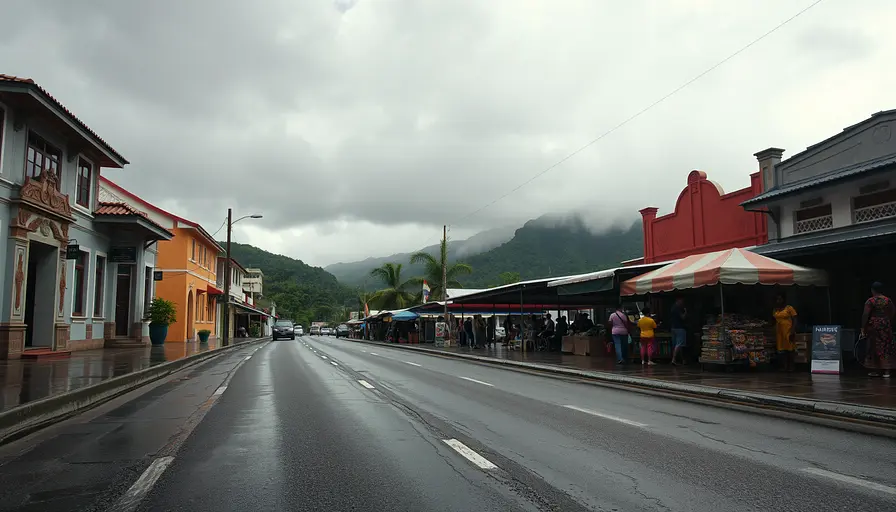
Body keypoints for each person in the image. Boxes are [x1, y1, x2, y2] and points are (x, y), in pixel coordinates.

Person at [861, 282, 895, 378]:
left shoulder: (870, 301)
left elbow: (865, 314)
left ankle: (876, 370)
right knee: (886, 346)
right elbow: (892, 312)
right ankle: (887, 371)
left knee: (874, 346)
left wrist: (863, 327)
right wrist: (886, 320)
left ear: (872, 290)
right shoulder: (888, 300)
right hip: (885, 325)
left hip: (874, 326)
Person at [773, 293, 798, 372]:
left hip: (788, 330)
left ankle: (791, 366)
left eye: (780, 299)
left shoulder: (789, 308)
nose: (778, 301)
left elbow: (795, 319)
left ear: (784, 300)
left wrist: (792, 331)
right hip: (779, 331)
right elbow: (774, 320)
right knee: (781, 349)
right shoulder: (775, 309)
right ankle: (784, 366)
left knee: (790, 348)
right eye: (777, 299)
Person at [669, 297, 687, 365]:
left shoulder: (672, 308)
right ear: (678, 301)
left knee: (677, 344)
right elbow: (683, 317)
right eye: (681, 301)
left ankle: (682, 359)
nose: (682, 303)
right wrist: (685, 312)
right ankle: (674, 359)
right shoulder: (678, 309)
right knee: (679, 344)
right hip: (679, 327)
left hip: (673, 328)